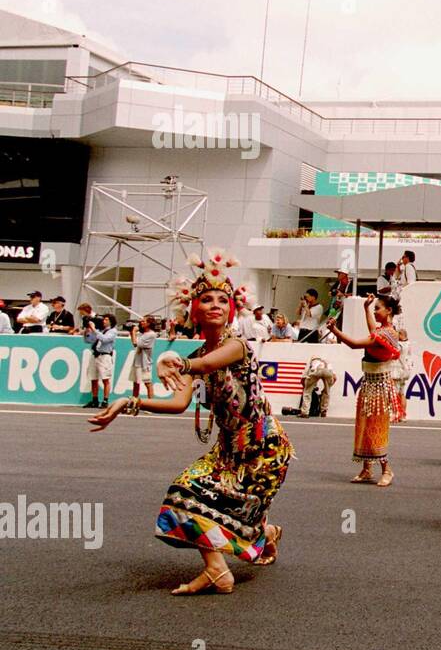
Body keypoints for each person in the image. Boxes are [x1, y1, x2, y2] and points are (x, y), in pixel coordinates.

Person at [88, 248, 290, 595]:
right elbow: (179, 404)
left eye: (222, 300)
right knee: (197, 496)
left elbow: (207, 366)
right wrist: (128, 402)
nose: (215, 304)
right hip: (227, 450)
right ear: (193, 309)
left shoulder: (237, 346)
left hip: (262, 449)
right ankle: (244, 551)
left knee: (194, 495)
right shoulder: (194, 356)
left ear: (232, 309)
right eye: (207, 299)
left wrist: (177, 364)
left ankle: (235, 556)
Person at [328, 294, 405, 486]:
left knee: (376, 427)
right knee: (363, 426)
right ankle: (366, 469)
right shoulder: (382, 332)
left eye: (378, 308)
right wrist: (366, 308)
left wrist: (335, 330)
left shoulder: (389, 334)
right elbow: (373, 330)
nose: (375, 312)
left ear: (389, 311)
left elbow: (354, 344)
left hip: (379, 386)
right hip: (369, 383)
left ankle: (387, 469)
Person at [83, 314, 118, 408]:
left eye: (106, 319)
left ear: (111, 321)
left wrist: (94, 330)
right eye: (104, 319)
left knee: (105, 379)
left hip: (104, 356)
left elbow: (105, 339)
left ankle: (105, 400)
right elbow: (88, 340)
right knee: (93, 378)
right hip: (95, 355)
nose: (104, 321)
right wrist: (88, 330)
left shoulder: (113, 331)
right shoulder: (99, 330)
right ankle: (94, 399)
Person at [129, 316, 157, 401]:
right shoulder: (143, 333)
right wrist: (132, 332)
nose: (141, 323)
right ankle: (134, 401)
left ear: (149, 323)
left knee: (147, 383)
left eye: (144, 321)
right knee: (136, 383)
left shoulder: (151, 334)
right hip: (137, 361)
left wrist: (133, 332)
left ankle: (151, 403)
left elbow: (136, 343)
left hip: (144, 363)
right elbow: (134, 342)